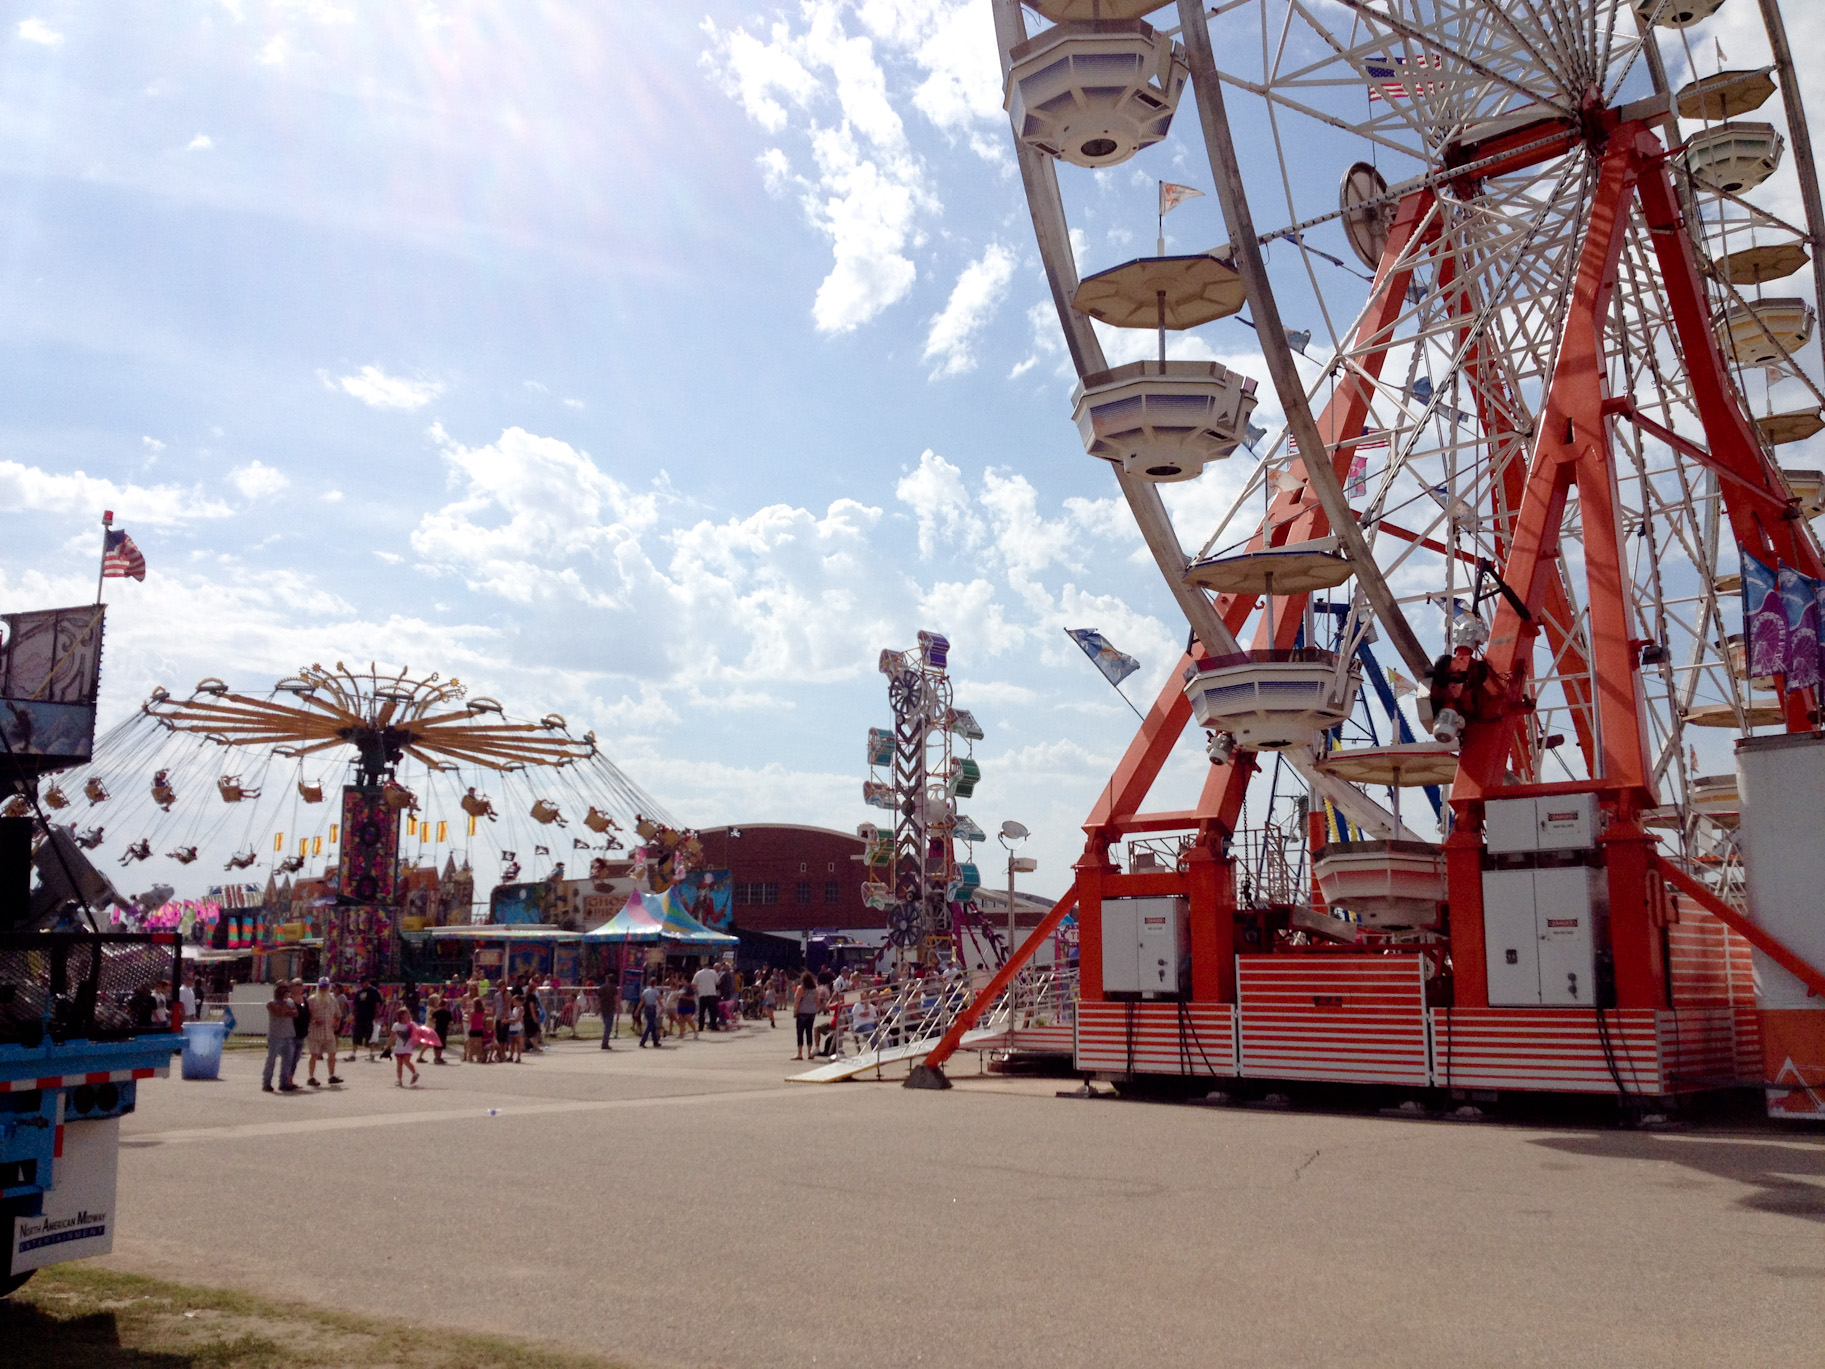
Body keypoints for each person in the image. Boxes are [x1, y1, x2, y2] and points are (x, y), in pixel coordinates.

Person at [262, 982, 300, 1093]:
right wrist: (284, 1003)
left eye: (286, 988)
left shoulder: (290, 1001)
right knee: (271, 1060)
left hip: (289, 1035)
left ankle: (284, 1083)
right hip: (275, 1036)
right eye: (282, 988)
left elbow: (295, 1013)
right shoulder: (271, 1003)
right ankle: (267, 1083)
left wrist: (285, 1010)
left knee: (287, 1061)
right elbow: (279, 1013)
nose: (285, 990)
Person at [305, 977, 343, 1087]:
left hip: (329, 1031)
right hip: (315, 1032)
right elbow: (306, 1016)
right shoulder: (311, 1000)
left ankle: (331, 1075)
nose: (323, 989)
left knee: (332, 1053)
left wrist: (337, 1024)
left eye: (325, 987)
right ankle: (311, 1077)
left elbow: (338, 1015)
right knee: (314, 1055)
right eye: (321, 987)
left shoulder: (333, 1000)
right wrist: (314, 1020)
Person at [350, 978, 382, 1062]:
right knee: (356, 1035)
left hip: (370, 1017)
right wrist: (353, 1015)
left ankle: (371, 1054)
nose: (363, 984)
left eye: (365, 982)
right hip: (359, 1017)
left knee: (370, 1036)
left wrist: (376, 1016)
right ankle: (353, 1054)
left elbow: (378, 1004)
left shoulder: (374, 991)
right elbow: (355, 1004)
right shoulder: (359, 992)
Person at [792, 971, 819, 1061]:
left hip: (802, 1012)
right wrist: (815, 1010)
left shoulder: (801, 988)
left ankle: (800, 1053)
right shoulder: (815, 990)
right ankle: (809, 1052)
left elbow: (797, 1001)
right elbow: (817, 1001)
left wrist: (795, 1012)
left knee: (800, 1032)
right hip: (811, 1012)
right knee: (809, 1032)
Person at [389, 1006, 420, 1087]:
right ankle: (399, 1080)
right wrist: (387, 1045)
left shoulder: (412, 1024)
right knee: (399, 1064)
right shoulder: (396, 1025)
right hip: (399, 1047)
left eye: (407, 1016)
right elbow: (392, 1036)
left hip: (408, 1047)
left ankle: (415, 1073)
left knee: (406, 1060)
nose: (405, 1018)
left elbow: (418, 1032)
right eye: (403, 1016)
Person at [691, 961, 720, 1032]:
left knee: (702, 1012)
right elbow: (718, 982)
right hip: (712, 993)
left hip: (702, 994)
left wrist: (699, 988)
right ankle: (713, 1026)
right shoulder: (713, 972)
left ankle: (701, 1027)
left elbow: (693, 984)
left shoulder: (698, 973)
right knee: (712, 1011)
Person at [638, 979, 663, 1048]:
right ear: (655, 983)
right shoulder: (655, 991)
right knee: (649, 1025)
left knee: (653, 1026)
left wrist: (638, 1009)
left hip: (647, 1008)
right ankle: (642, 1041)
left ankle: (655, 1042)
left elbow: (642, 1001)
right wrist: (663, 1007)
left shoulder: (645, 991)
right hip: (652, 1008)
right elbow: (659, 1000)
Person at [429, 992, 453, 1065]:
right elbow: (451, 1022)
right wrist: (450, 1027)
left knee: (437, 1044)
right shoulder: (447, 1013)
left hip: (438, 1028)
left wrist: (435, 1022)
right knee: (441, 1044)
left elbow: (431, 1018)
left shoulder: (437, 1012)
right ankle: (438, 1057)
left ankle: (437, 1057)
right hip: (443, 1029)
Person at [596, 973, 616, 1051]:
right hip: (610, 1008)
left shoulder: (602, 988)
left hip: (603, 1008)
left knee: (606, 1025)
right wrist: (618, 1007)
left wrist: (598, 1007)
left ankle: (605, 1041)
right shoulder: (614, 988)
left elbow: (599, 999)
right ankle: (604, 1043)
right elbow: (615, 998)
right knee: (608, 1026)